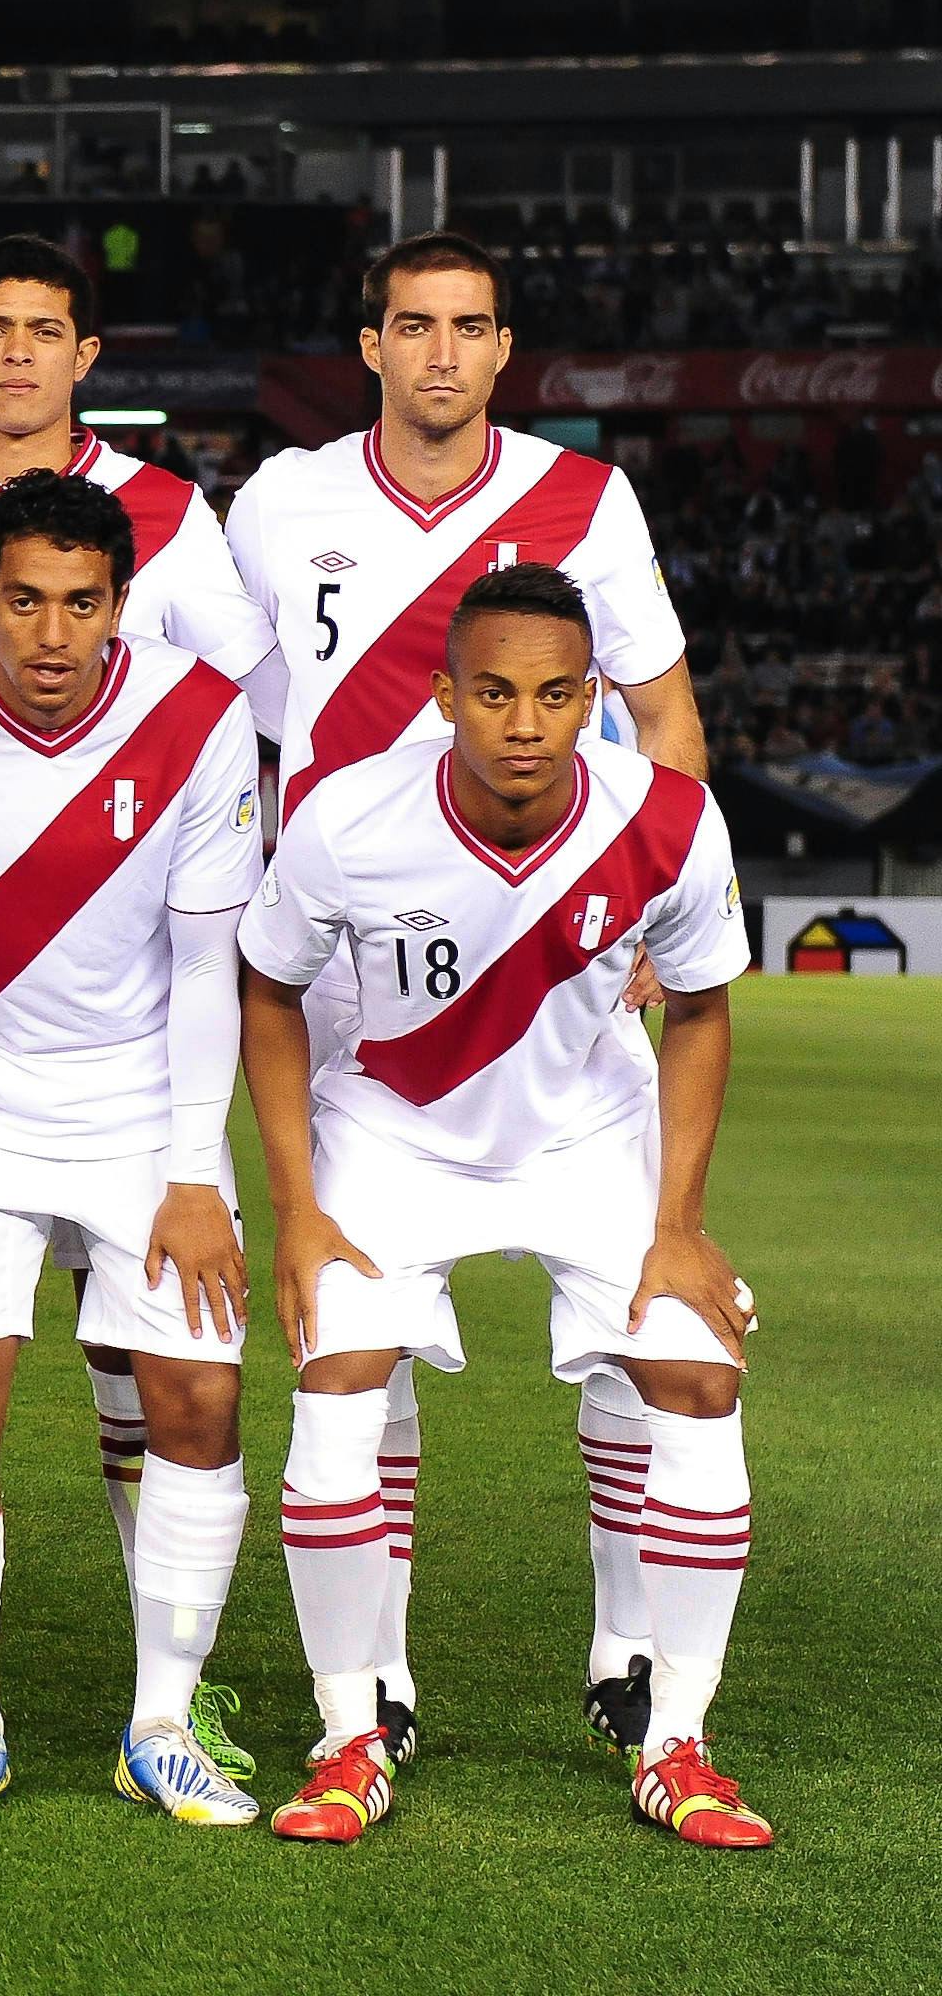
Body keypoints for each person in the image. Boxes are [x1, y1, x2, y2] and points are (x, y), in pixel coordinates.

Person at [225, 231, 706, 1765]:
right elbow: (233, 726)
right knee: (365, 1328)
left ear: (506, 349)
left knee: (639, 1320)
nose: (441, 353)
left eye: (470, 328)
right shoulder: (279, 503)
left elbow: (663, 712)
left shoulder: (584, 499)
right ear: (368, 343)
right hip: (352, 950)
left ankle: (630, 1644)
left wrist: (649, 895)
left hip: (552, 946)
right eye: (413, 326)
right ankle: (382, 1685)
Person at [0, 233, 276, 1781]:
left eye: (85, 605)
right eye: (26, 604)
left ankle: (166, 1720)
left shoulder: (200, 719)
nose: (55, 634)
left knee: (200, 1400)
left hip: (141, 1101)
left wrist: (201, 1172)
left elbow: (211, 962)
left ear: (124, 604)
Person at [238, 563, 765, 1848]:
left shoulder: (672, 818)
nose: (523, 723)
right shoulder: (345, 816)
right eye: (491, 693)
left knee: (698, 1375)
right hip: (392, 1128)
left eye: (552, 694)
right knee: (339, 1377)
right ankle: (352, 1727)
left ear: (593, 696)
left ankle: (677, 1736)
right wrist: (298, 1205)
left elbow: (697, 1008)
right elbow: (268, 990)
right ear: (444, 696)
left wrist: (679, 1221)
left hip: (590, 1128)